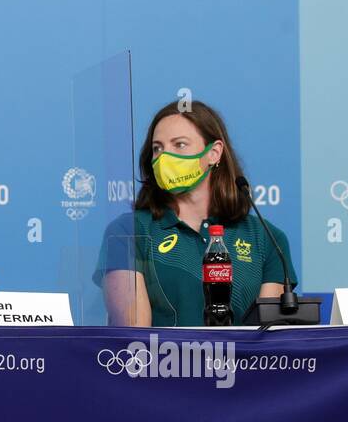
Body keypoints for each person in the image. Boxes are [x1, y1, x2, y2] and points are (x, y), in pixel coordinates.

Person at [96, 100, 296, 326]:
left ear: (213, 153)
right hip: (164, 361)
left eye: (179, 145)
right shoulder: (128, 232)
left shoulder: (266, 238)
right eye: (157, 148)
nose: (164, 157)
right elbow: (133, 340)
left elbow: (267, 343)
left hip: (239, 361)